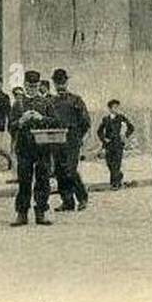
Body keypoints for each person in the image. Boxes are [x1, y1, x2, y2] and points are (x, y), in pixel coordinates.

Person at [8, 71, 58, 226]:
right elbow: (10, 126)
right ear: (24, 86)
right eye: (29, 86)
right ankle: (22, 213)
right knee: (24, 180)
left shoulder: (46, 103)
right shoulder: (18, 104)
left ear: (39, 86)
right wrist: (21, 120)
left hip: (42, 147)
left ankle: (41, 212)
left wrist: (41, 118)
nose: (32, 89)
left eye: (35, 86)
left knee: (43, 180)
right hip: (24, 147)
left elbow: (56, 122)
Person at [49, 69, 91, 212]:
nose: (60, 85)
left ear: (67, 82)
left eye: (62, 82)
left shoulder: (76, 100)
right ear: (54, 83)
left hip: (72, 140)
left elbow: (85, 122)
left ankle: (82, 198)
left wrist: (77, 137)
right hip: (56, 140)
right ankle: (67, 201)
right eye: (57, 82)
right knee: (59, 171)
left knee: (70, 169)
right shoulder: (51, 101)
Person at [97, 99, 135, 189]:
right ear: (110, 109)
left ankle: (115, 183)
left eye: (117, 107)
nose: (116, 109)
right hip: (108, 145)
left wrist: (125, 136)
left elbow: (131, 127)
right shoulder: (105, 119)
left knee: (117, 163)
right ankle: (119, 176)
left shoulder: (121, 118)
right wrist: (104, 139)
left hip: (118, 144)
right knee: (109, 163)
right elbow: (99, 131)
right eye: (114, 107)